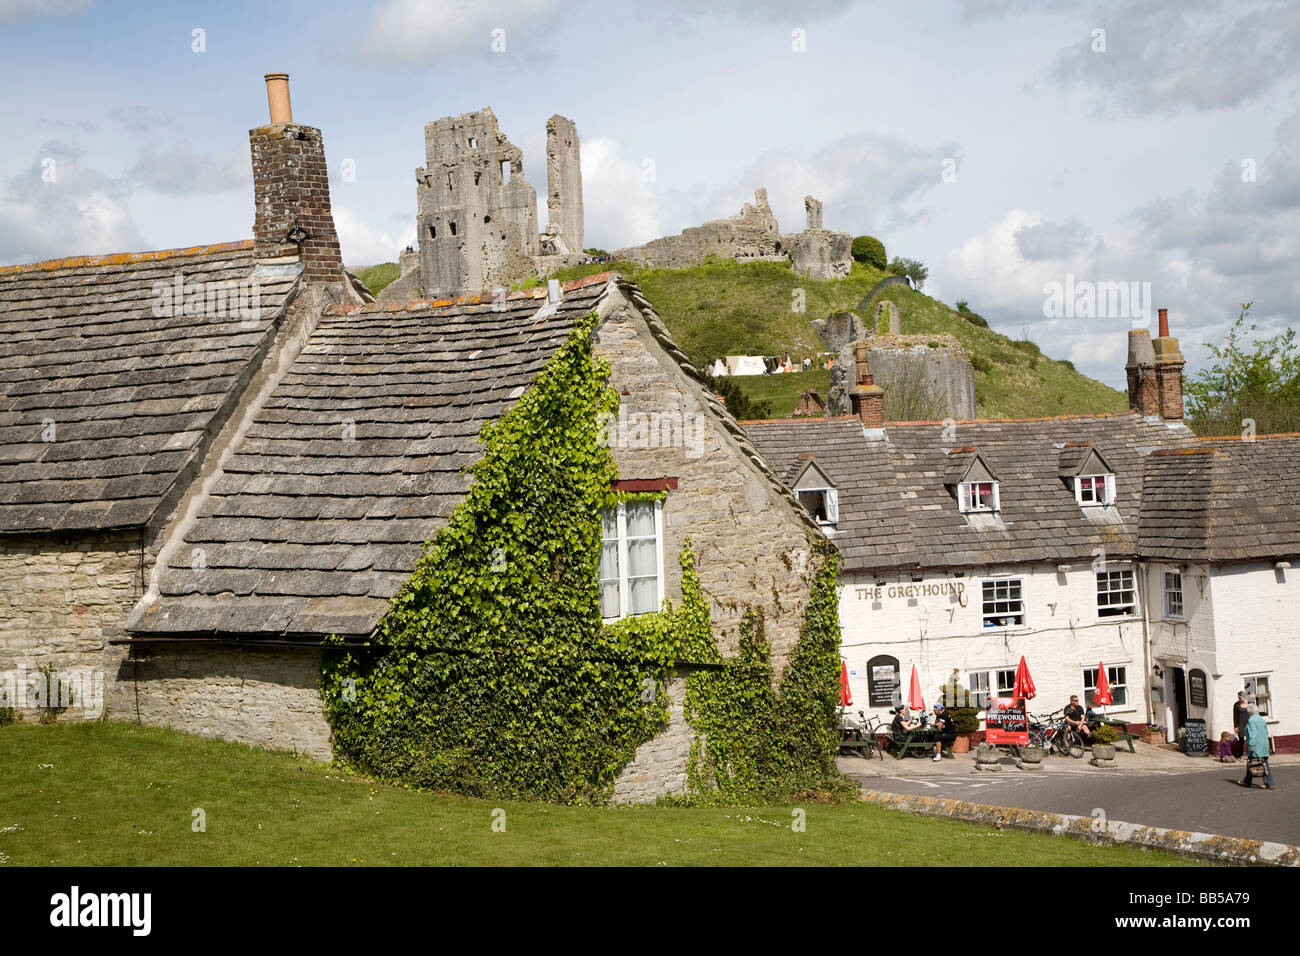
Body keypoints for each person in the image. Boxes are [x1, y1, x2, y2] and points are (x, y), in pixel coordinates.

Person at [1239, 704, 1274, 789]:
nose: (1247, 713)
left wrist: (1251, 746)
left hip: (1256, 747)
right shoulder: (1261, 719)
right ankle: (1247, 781)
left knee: (1261, 764)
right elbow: (1266, 732)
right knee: (1253, 763)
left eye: (1247, 711)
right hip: (1264, 745)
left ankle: (1269, 783)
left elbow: (1253, 735)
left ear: (1250, 712)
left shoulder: (1251, 720)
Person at [1233, 691, 1250, 756]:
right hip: (1240, 724)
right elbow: (1235, 716)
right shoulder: (1236, 705)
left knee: (1250, 739)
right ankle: (1241, 755)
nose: (1239, 699)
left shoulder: (1249, 703)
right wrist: (1236, 726)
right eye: (1238, 697)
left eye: (1241, 697)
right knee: (1241, 740)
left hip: (1249, 723)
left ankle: (1250, 754)